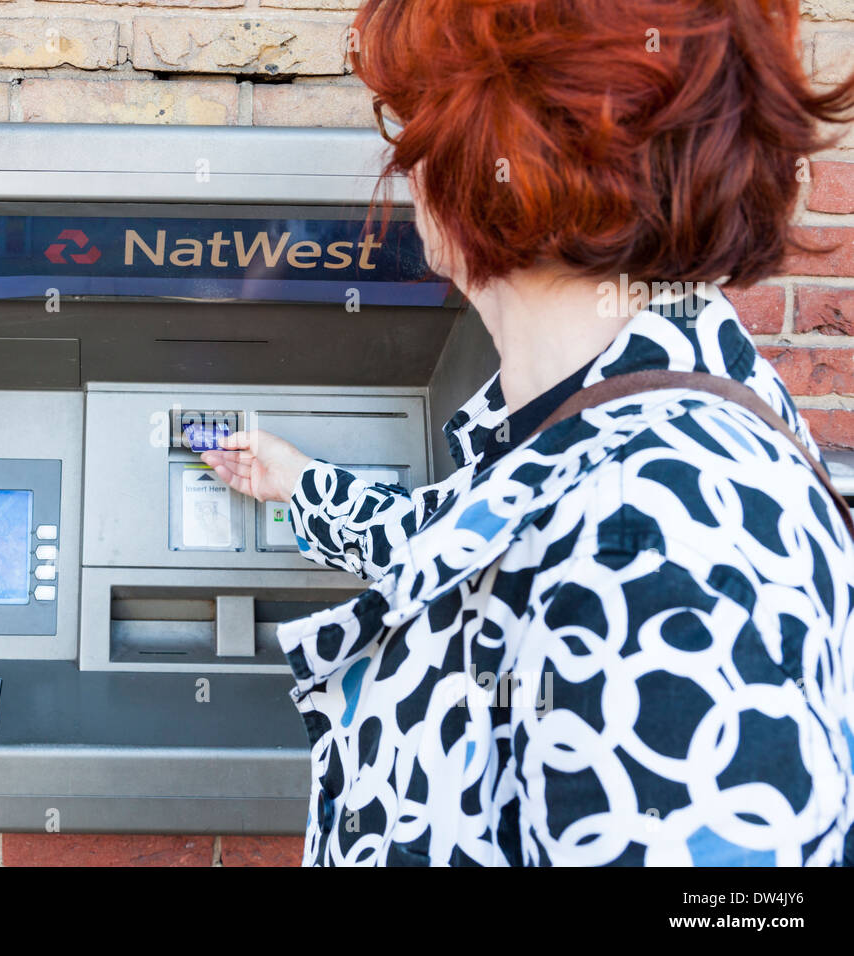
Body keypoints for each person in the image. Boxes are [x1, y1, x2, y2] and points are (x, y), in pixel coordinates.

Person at [200, 0, 854, 866]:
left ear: (488, 152)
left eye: (415, 118)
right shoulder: (610, 415)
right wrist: (296, 485)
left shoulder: (665, 547)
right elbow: (465, 549)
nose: (403, 163)